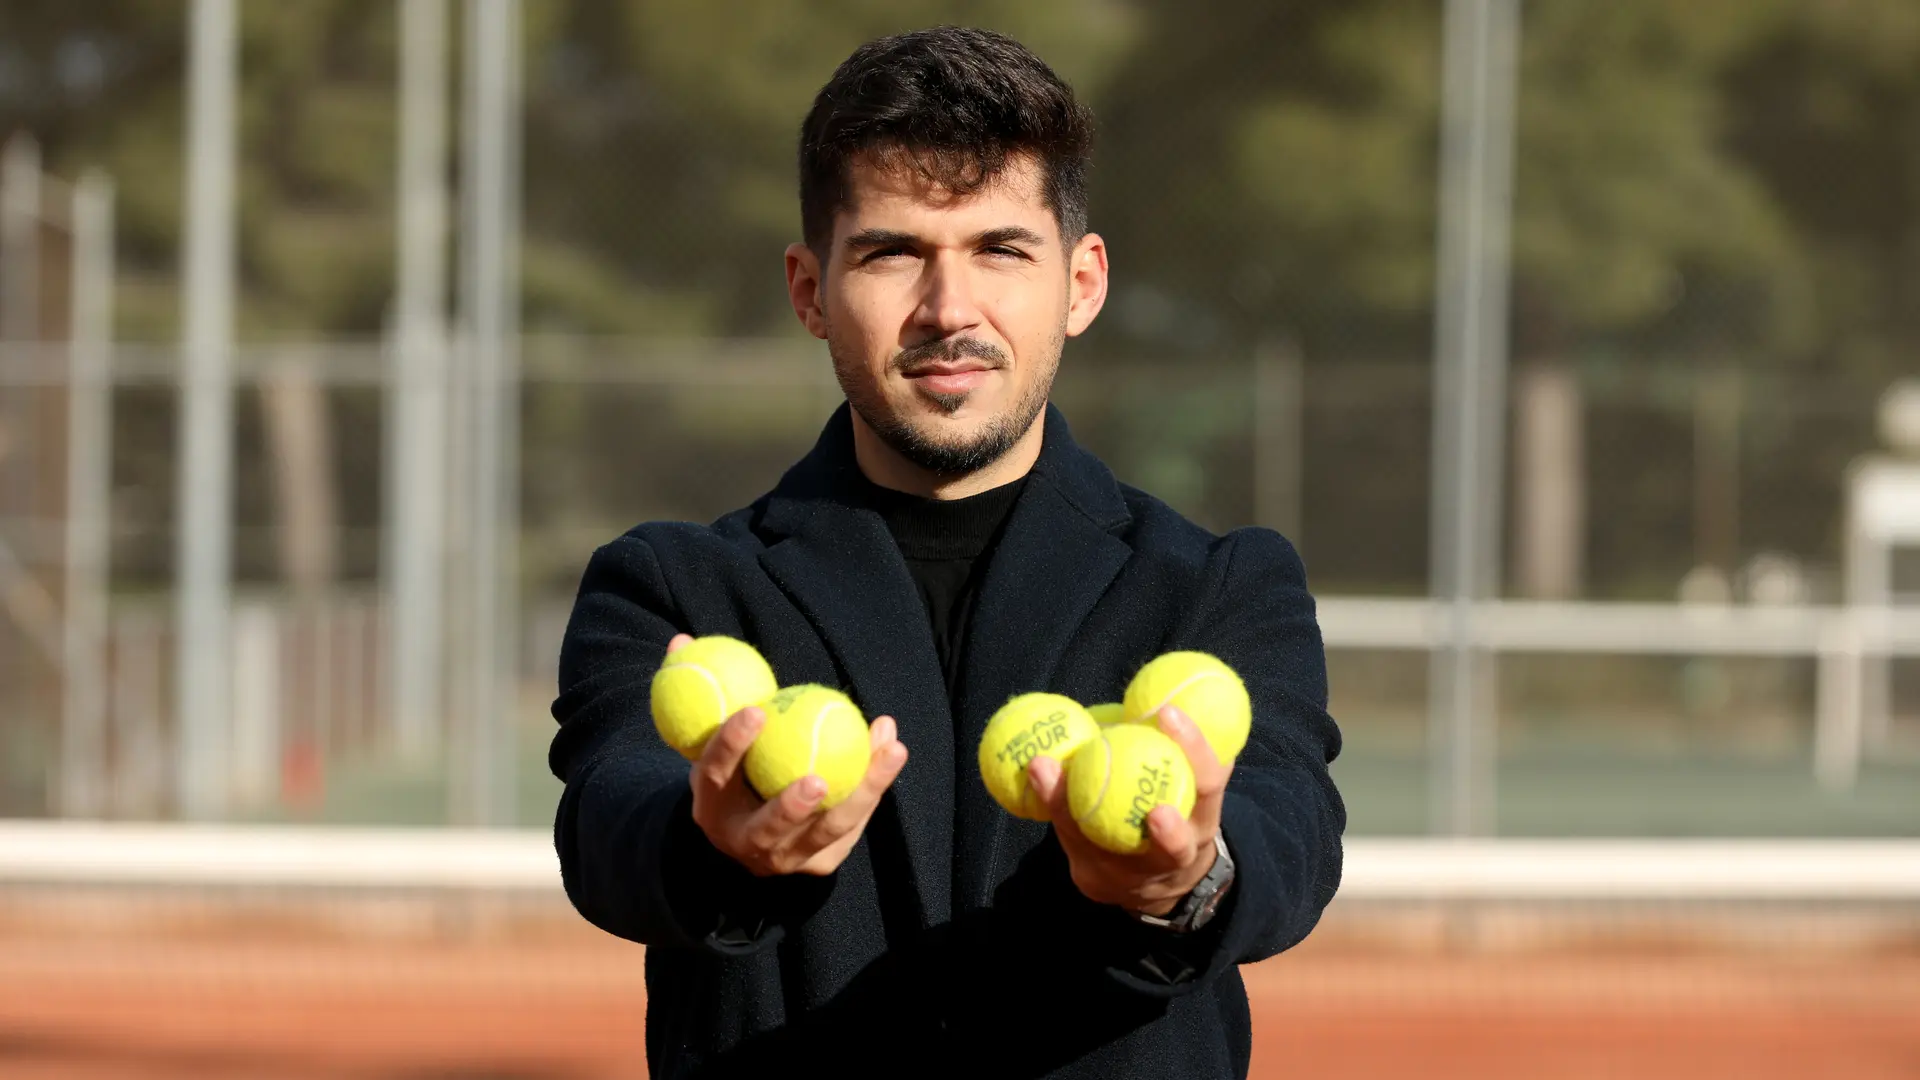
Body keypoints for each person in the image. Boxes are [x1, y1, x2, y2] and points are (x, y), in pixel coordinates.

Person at [549, 26, 1344, 1079]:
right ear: (808, 289)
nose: (949, 310)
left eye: (1000, 250)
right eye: (892, 253)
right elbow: (610, 828)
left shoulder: (1218, 586)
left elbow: (1289, 833)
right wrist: (714, 852)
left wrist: (1184, 882)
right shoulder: (671, 588)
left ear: (1082, 282)